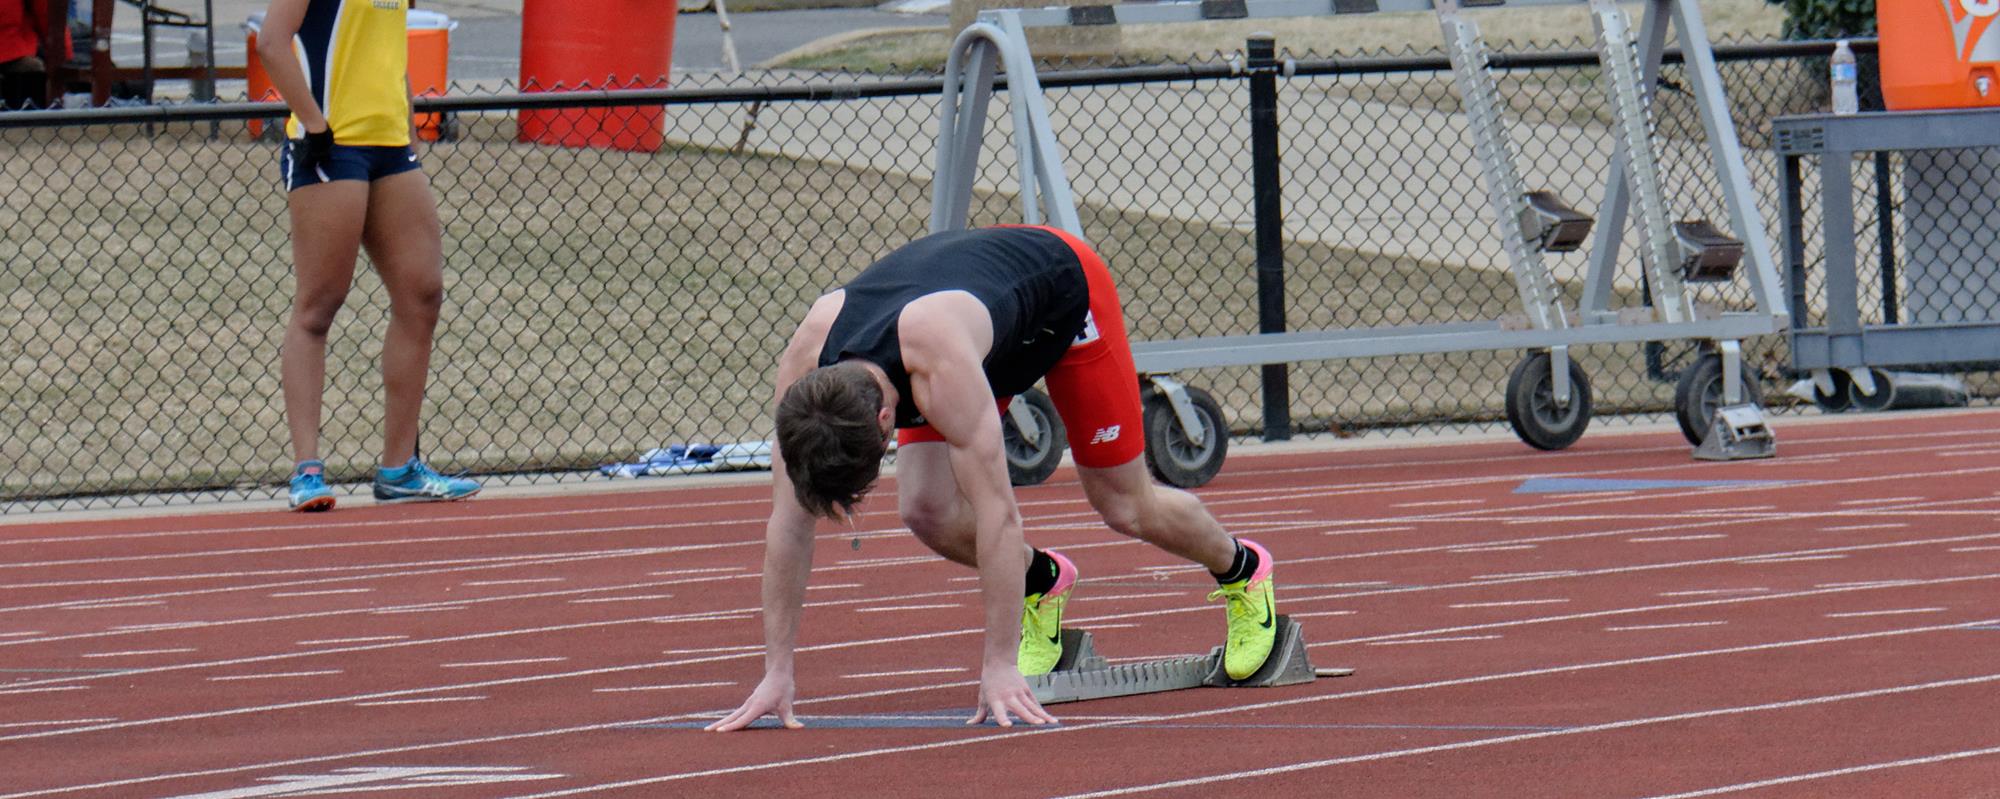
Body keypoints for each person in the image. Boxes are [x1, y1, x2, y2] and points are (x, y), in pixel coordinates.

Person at [707, 225, 1277, 731]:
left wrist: (999, 665)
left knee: (1124, 505)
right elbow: (788, 522)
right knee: (926, 510)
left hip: (1060, 294)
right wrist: (776, 673)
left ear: (886, 421)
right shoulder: (805, 375)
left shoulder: (940, 371)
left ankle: (1243, 571)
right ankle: (1043, 582)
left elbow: (1000, 515)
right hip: (973, 321)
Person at [258, 0, 477, 511]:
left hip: (390, 145)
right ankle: (308, 472)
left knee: (422, 294)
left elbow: (388, 53)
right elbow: (272, 42)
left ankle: (399, 469)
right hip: (331, 146)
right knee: (319, 305)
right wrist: (314, 126)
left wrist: (409, 134)